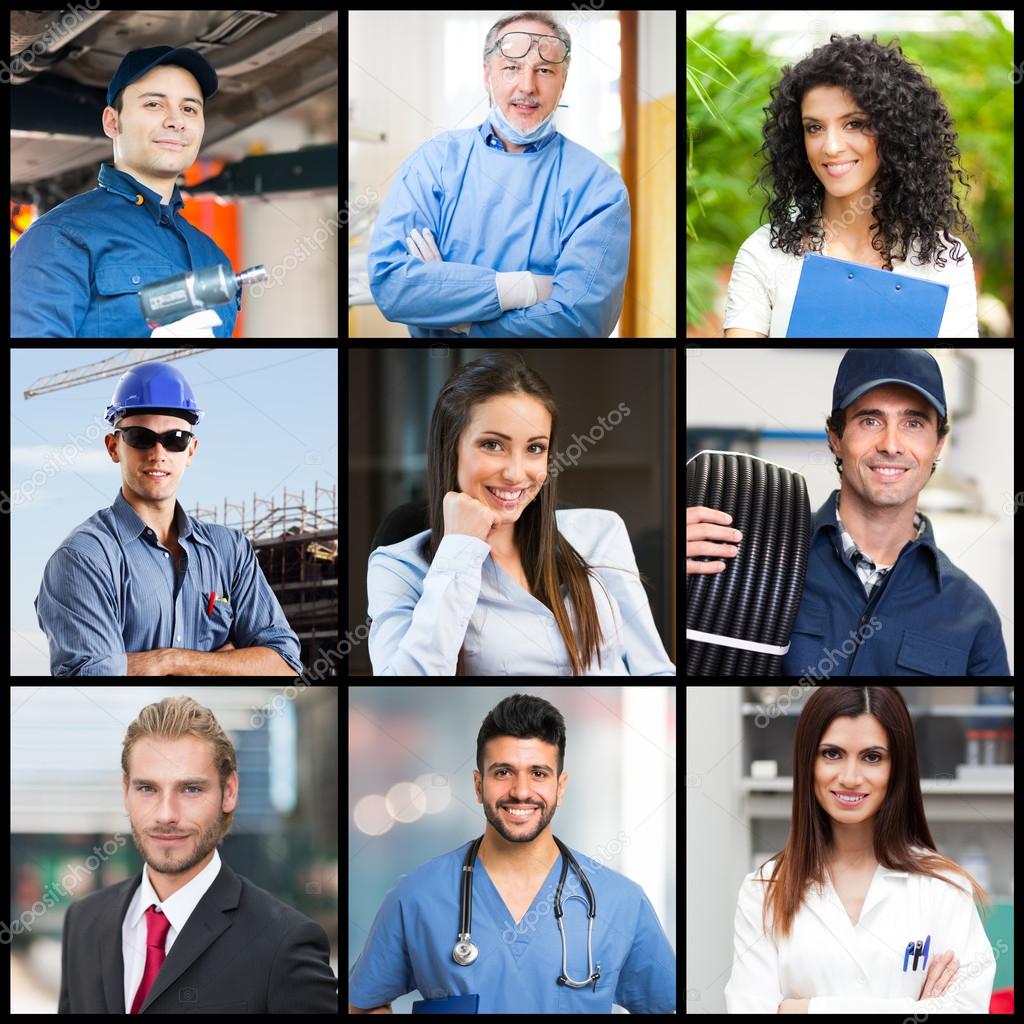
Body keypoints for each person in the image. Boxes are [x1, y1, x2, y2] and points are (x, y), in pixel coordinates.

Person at [686, 348, 1009, 675]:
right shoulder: (752, 560)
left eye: (913, 423)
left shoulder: (972, 614)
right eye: (870, 420)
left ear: (938, 444)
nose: (891, 445)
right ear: (836, 438)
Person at [348, 694, 676, 1013]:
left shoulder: (622, 903)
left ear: (560, 787)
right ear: (478, 785)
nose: (520, 791)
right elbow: (361, 1004)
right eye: (503, 772)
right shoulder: (418, 895)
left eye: (538, 773)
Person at [367, 353, 675, 675]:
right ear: (450, 447)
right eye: (492, 445)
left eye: (535, 448)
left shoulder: (601, 533)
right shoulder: (400, 568)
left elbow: (654, 671)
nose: (516, 474)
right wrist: (459, 552)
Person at [58, 696, 337, 1013]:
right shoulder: (83, 921)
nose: (165, 815)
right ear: (126, 792)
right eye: (147, 789)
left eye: (190, 789)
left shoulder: (285, 943)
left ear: (228, 792)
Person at [724, 686, 995, 1013]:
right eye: (832, 754)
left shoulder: (944, 887)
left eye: (872, 757)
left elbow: (965, 1009)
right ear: (807, 762)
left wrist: (800, 1009)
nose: (850, 777)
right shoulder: (763, 890)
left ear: (897, 769)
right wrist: (915, 1008)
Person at [368, 12, 630, 338]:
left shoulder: (599, 187)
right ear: (487, 75)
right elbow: (392, 285)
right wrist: (524, 288)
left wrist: (456, 313)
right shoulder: (433, 164)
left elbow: (579, 322)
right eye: (511, 68)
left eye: (545, 70)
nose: (527, 85)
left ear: (563, 81)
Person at [35, 361, 302, 676]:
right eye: (140, 437)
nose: (157, 453)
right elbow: (90, 677)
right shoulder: (82, 559)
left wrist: (171, 661)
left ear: (191, 451)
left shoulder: (231, 550)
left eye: (175, 438)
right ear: (113, 447)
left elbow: (284, 665)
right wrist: (229, 660)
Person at [723, 34, 978, 338]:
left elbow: (949, 378)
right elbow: (742, 374)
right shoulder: (765, 253)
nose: (830, 147)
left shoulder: (946, 259)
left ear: (895, 132)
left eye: (854, 123)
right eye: (814, 127)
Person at [11, 45, 237, 338]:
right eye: (154, 104)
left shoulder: (214, 258)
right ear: (112, 121)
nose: (176, 120)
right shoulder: (59, 237)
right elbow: (29, 372)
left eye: (189, 108)